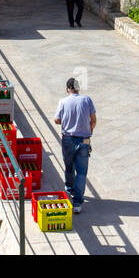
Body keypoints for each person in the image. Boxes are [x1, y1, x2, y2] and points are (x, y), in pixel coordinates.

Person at [53, 77, 97, 213]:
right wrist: (89, 131)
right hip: (84, 139)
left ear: (67, 89)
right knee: (82, 172)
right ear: (78, 88)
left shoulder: (63, 102)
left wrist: (67, 122)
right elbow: (94, 120)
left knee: (68, 166)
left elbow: (56, 120)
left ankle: (69, 189)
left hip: (68, 139)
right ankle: (77, 203)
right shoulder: (87, 100)